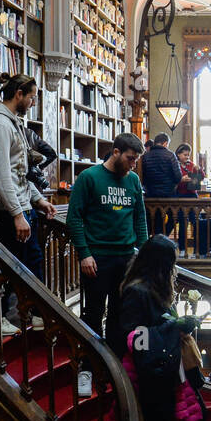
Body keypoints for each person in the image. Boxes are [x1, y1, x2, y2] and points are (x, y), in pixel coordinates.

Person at [113, 235, 203, 421]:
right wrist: (172, 327)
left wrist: (178, 324)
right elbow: (132, 336)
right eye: (172, 264)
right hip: (145, 372)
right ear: (159, 265)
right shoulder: (137, 291)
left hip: (158, 367)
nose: (175, 270)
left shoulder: (153, 287)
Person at [0, 75, 57, 334]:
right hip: (6, 209)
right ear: (19, 93)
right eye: (32, 97)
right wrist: (17, 213)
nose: (33, 102)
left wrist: (38, 200)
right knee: (7, 263)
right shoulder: (1, 124)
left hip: (19, 205)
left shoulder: (13, 122)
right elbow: (0, 173)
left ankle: (32, 312)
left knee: (31, 261)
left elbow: (19, 172)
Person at [67, 132, 148, 340]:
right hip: (97, 258)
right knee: (93, 313)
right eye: (130, 159)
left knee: (120, 313)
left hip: (127, 257)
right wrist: (84, 254)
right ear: (116, 152)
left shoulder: (134, 181)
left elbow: (140, 219)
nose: (132, 165)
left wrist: (144, 255)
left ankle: (114, 365)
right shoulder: (89, 177)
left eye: (136, 160)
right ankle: (88, 366)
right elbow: (74, 218)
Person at [141, 132, 181, 237]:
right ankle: (162, 237)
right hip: (168, 195)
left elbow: (142, 177)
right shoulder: (170, 155)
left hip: (151, 195)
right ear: (165, 143)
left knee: (152, 219)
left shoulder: (145, 156)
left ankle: (152, 241)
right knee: (175, 216)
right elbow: (178, 176)